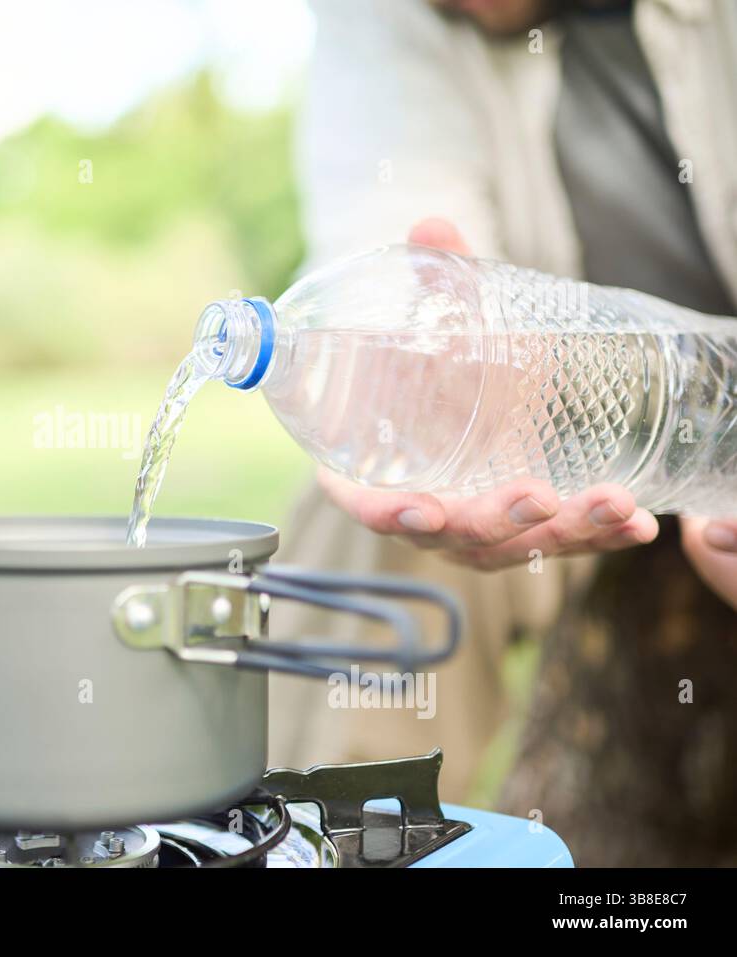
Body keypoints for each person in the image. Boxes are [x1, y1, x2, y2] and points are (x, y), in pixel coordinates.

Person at [267, 0, 737, 865]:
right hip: (573, 446)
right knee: (380, 505)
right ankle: (327, 843)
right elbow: (392, 253)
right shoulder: (384, 17)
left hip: (712, 420)